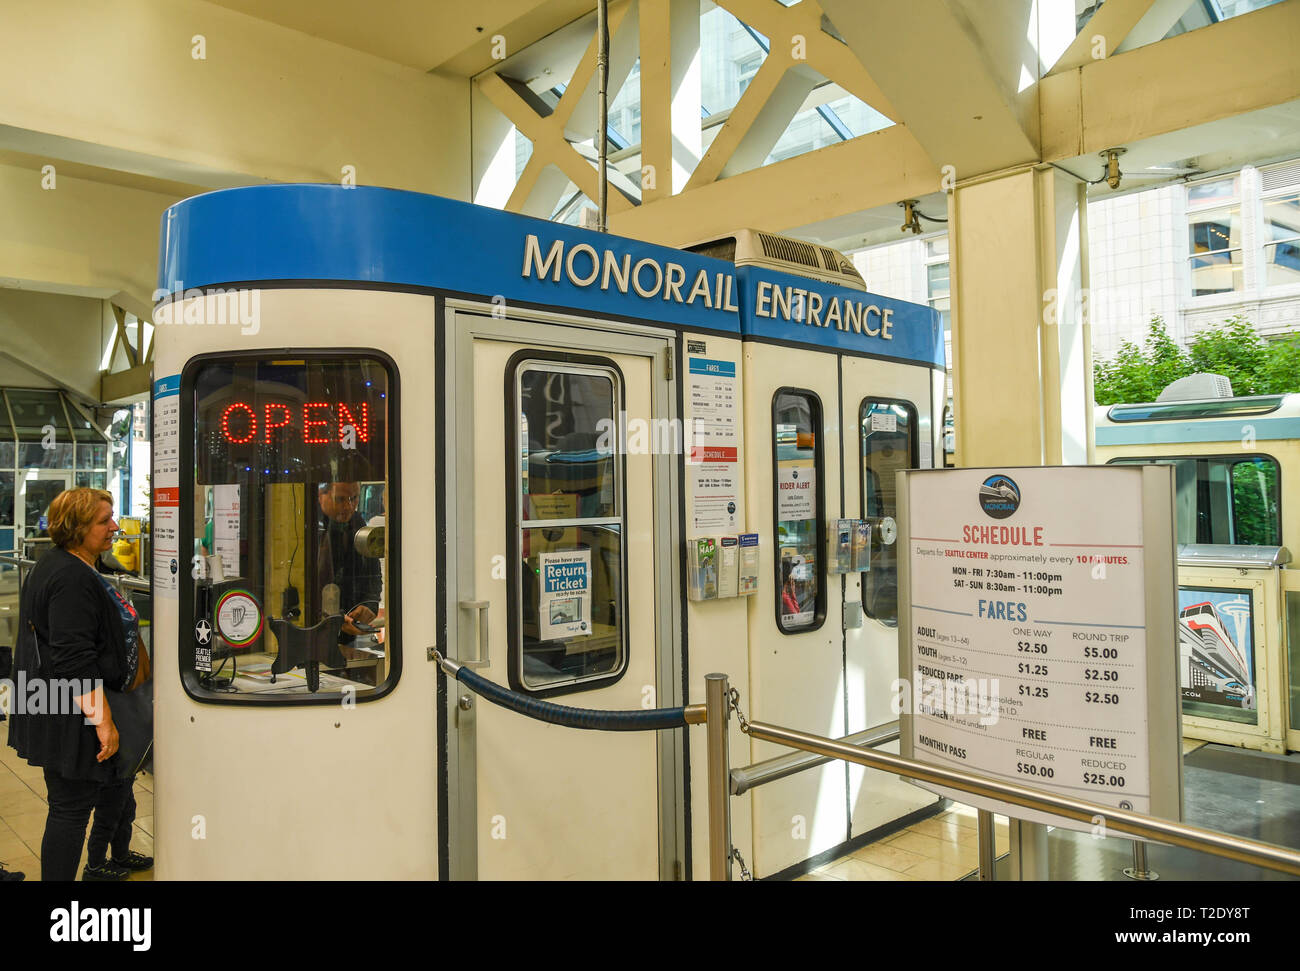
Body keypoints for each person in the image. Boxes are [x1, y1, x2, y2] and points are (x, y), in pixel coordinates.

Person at [6, 488, 153, 881]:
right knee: (69, 810)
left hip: (50, 701)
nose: (115, 527)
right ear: (77, 527)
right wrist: (103, 723)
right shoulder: (71, 577)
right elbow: (74, 660)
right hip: (67, 712)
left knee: (74, 804)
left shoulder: (59, 563)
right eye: (104, 521)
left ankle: (106, 861)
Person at [316, 481, 382, 637]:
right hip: (316, 632)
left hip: (351, 631)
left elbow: (373, 574)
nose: (348, 507)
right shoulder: (309, 526)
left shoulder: (358, 522)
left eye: (354, 498)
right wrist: (330, 618)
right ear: (321, 496)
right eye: (340, 499)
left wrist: (369, 605)